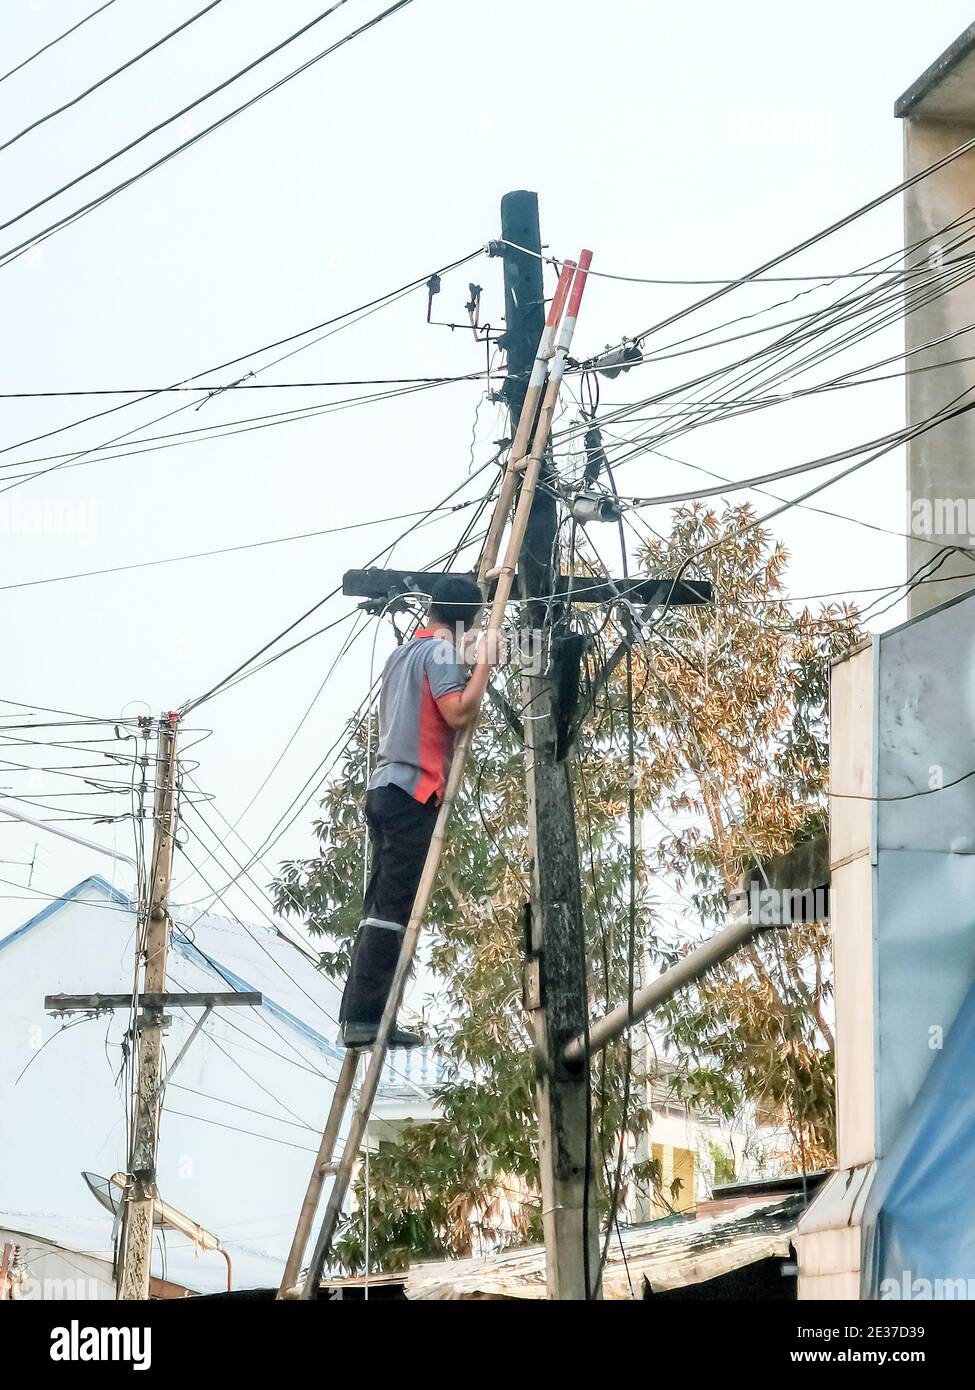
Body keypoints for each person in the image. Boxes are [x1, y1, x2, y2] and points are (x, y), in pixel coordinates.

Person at [339, 574, 494, 1049]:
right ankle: (366, 1019)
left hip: (386, 786)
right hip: (414, 791)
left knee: (379, 908)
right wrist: (484, 662)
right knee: (394, 911)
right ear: (467, 623)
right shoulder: (442, 654)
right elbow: (458, 712)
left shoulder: (403, 653)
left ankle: (361, 1014)